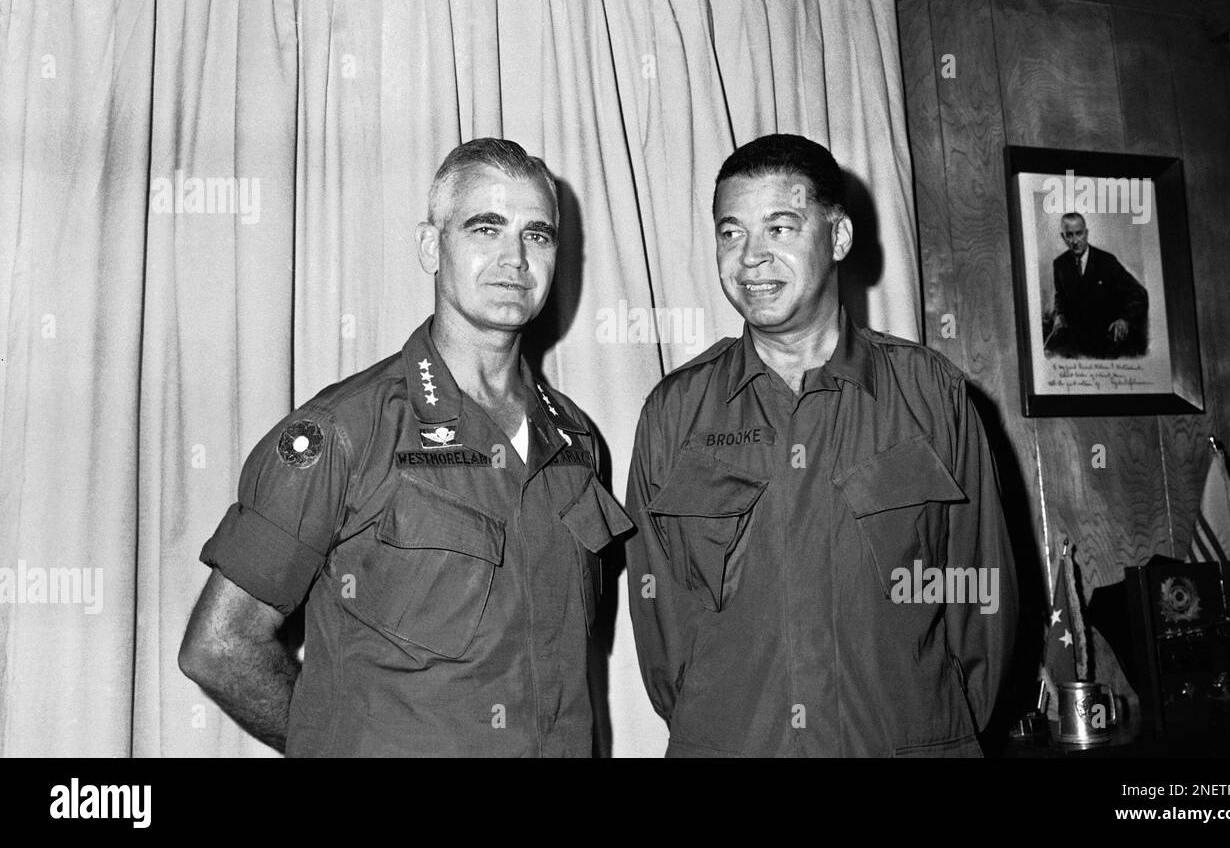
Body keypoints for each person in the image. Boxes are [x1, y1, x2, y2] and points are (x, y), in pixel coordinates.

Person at [179, 138, 631, 757]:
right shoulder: (346, 433)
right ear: (430, 247)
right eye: (485, 228)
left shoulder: (574, 441)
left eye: (538, 235)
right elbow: (221, 645)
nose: (514, 259)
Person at [623, 134, 1018, 757]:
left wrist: (932, 735)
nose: (751, 257)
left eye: (780, 228)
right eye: (731, 233)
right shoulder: (675, 414)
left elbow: (978, 596)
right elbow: (665, 633)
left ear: (837, 237)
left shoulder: (929, 394)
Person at [1047, 212, 1148, 358]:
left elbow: (1139, 293)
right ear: (1063, 237)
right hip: (1075, 340)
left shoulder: (1107, 262)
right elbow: (1060, 296)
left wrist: (1125, 319)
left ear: (1086, 233)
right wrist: (1059, 314)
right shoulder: (1060, 264)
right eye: (1069, 235)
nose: (1075, 240)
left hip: (1105, 340)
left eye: (1079, 233)